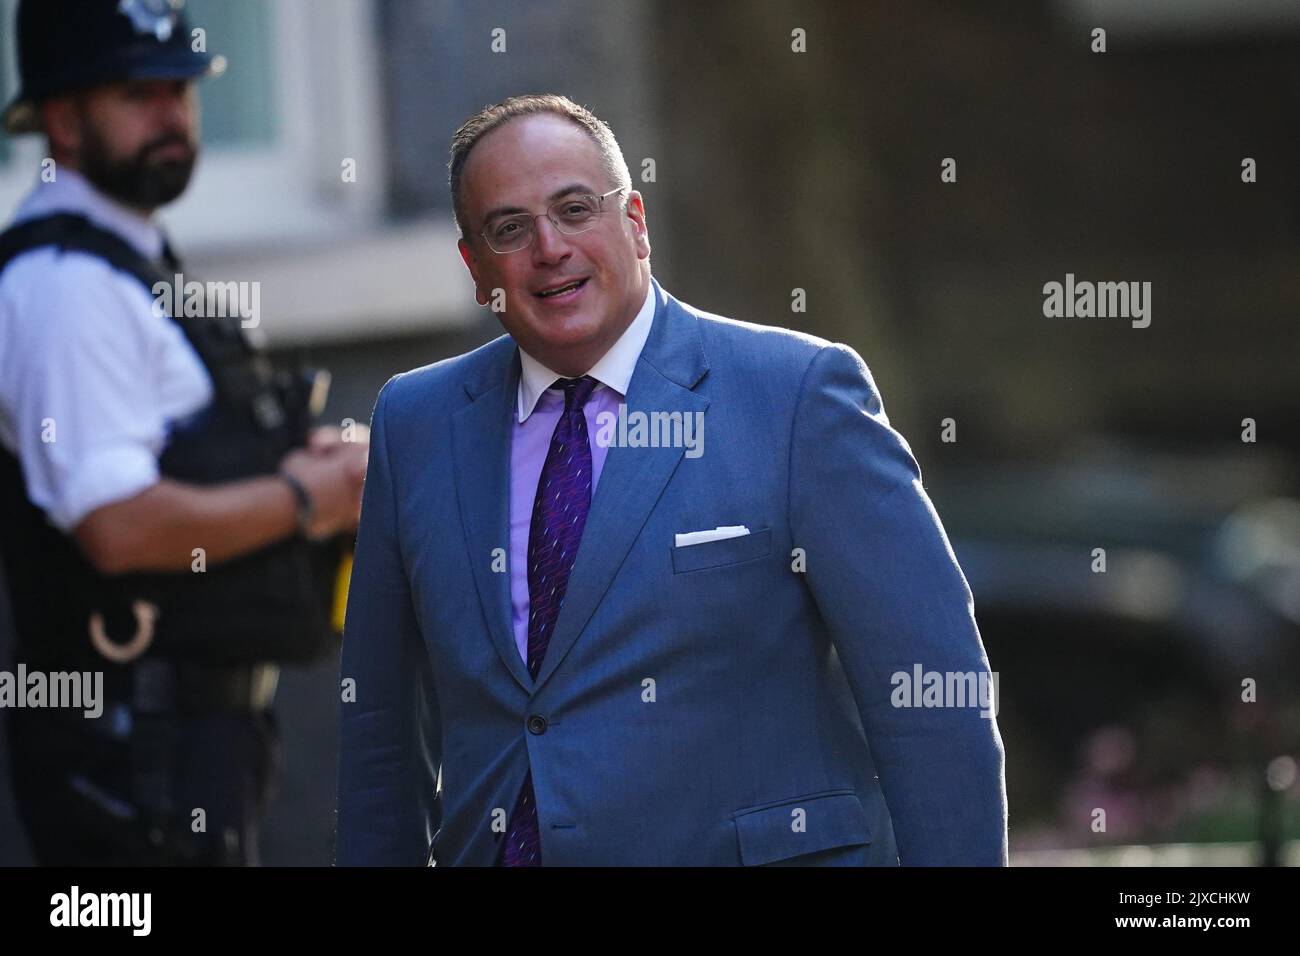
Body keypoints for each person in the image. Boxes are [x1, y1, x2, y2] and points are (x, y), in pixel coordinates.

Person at [335, 93, 1007, 866]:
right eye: (510, 229)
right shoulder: (415, 422)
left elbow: (930, 696)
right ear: (474, 264)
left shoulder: (796, 396)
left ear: (636, 223)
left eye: (576, 208)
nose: (549, 247)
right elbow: (379, 733)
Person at [0, 0, 367, 865]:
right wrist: (306, 498)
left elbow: (188, 450)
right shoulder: (65, 286)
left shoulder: (125, 254)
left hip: (187, 740)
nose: (171, 114)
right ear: (61, 116)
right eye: (139, 91)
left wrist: (311, 460)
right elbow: (117, 526)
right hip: (136, 752)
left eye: (183, 89)